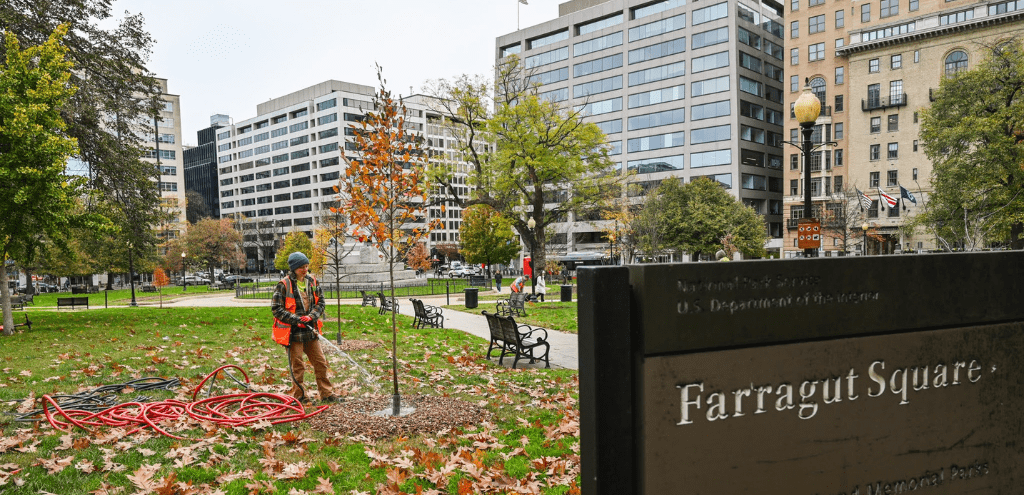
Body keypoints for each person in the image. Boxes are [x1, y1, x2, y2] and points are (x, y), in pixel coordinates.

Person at [271, 252, 340, 404]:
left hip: (310, 331)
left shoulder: (312, 281)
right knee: (298, 366)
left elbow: (320, 303)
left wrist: (312, 317)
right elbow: (276, 308)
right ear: (294, 268)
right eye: (302, 267)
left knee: (320, 362)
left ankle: (326, 394)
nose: (305, 269)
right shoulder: (284, 285)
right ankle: (300, 397)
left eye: (307, 266)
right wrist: (296, 320)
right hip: (293, 333)